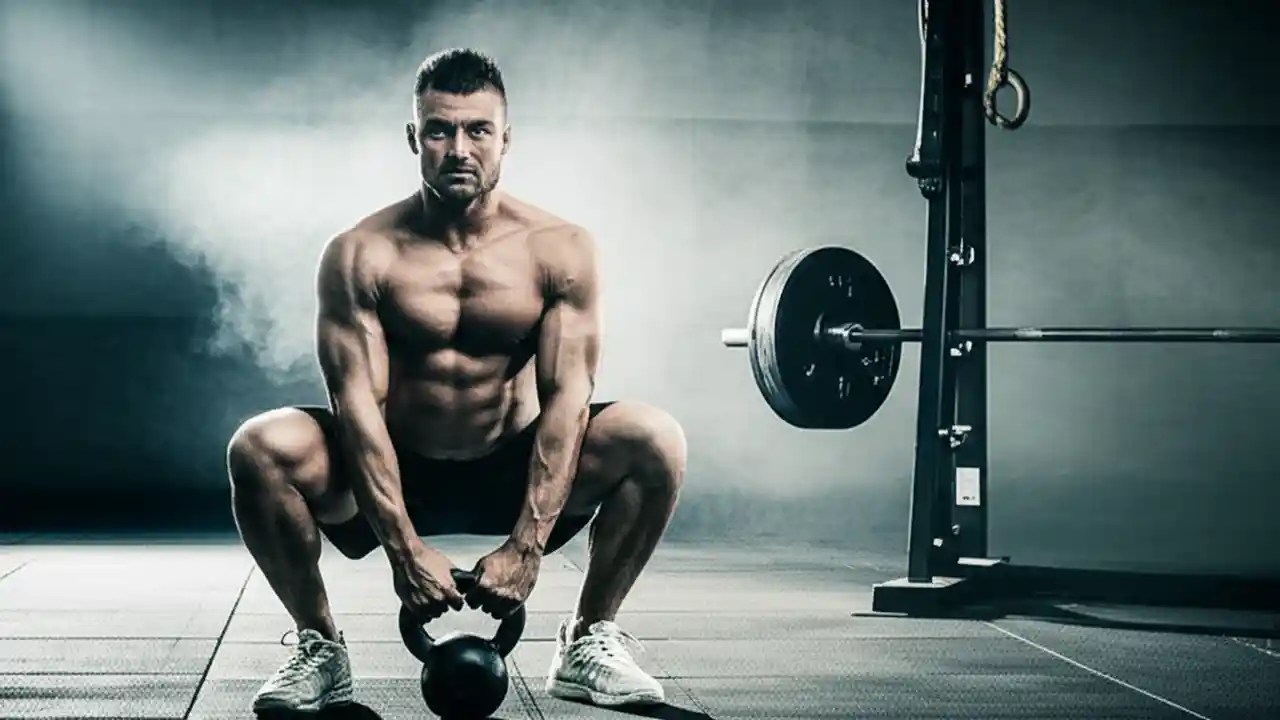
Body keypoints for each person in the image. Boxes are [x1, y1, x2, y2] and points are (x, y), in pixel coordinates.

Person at [225, 48, 686, 714]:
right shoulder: (360, 253)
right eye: (439, 130)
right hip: (392, 465)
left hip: (511, 465)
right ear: (414, 137)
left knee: (655, 437)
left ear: (506, 138)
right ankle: (320, 646)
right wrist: (404, 550)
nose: (459, 149)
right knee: (259, 446)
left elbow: (568, 401)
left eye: (478, 130)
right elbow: (356, 409)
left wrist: (527, 548)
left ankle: (588, 639)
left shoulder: (559, 249)